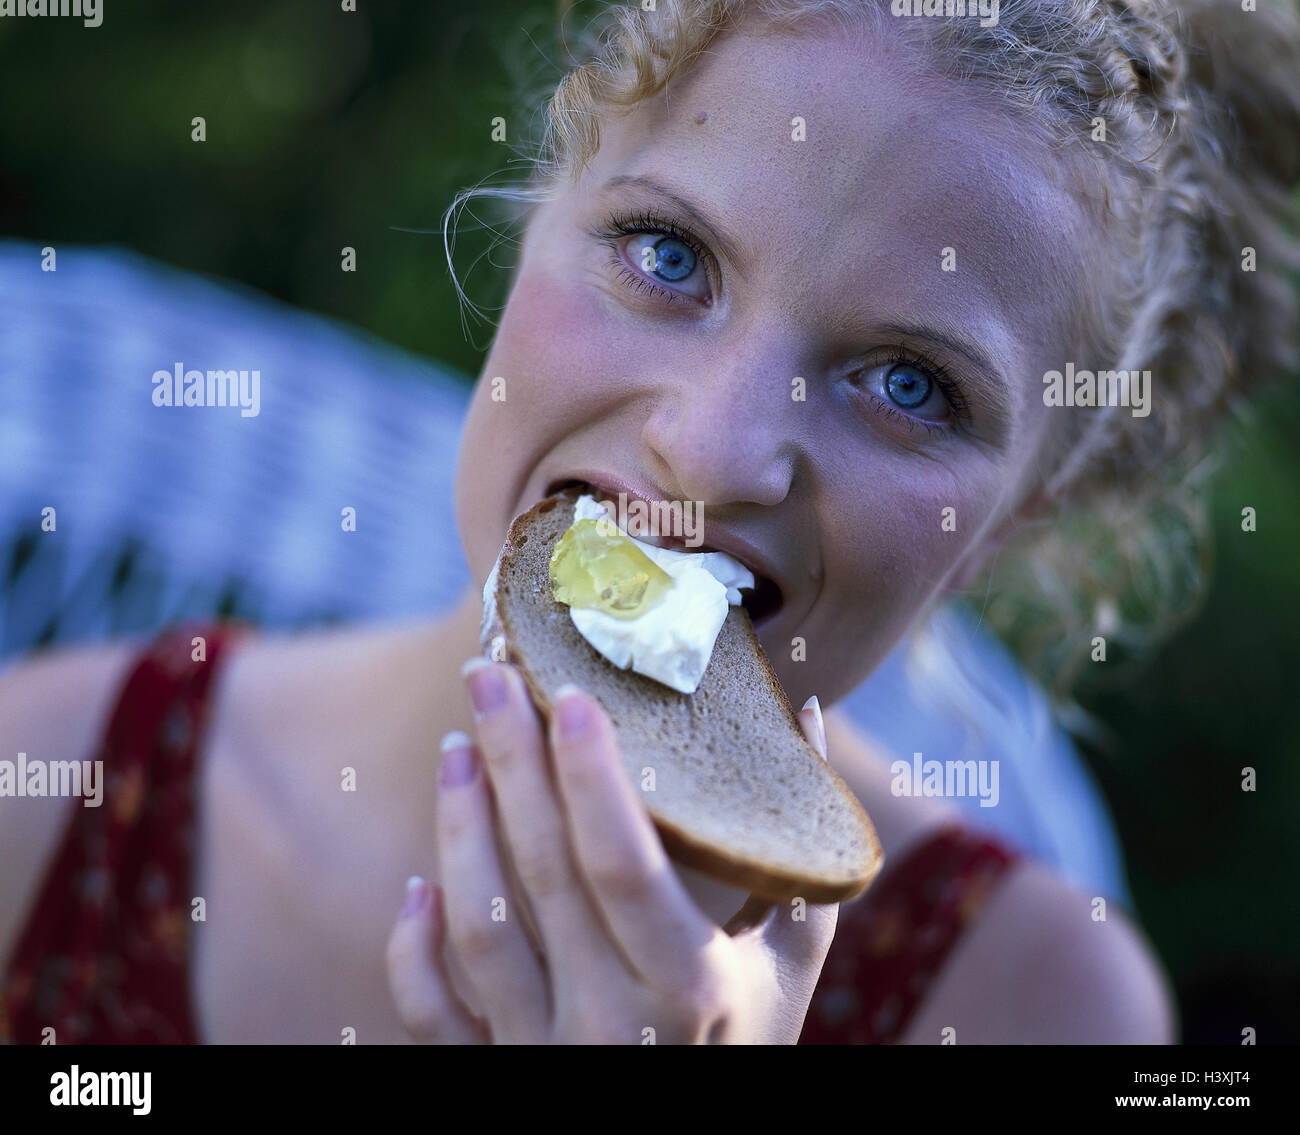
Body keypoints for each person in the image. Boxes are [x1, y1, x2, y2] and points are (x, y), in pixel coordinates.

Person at [3, 0, 1296, 1044]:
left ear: (1013, 525)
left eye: (911, 385)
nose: (718, 447)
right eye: (668, 255)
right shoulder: (47, 792)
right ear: (535, 211)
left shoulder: (1033, 1003)